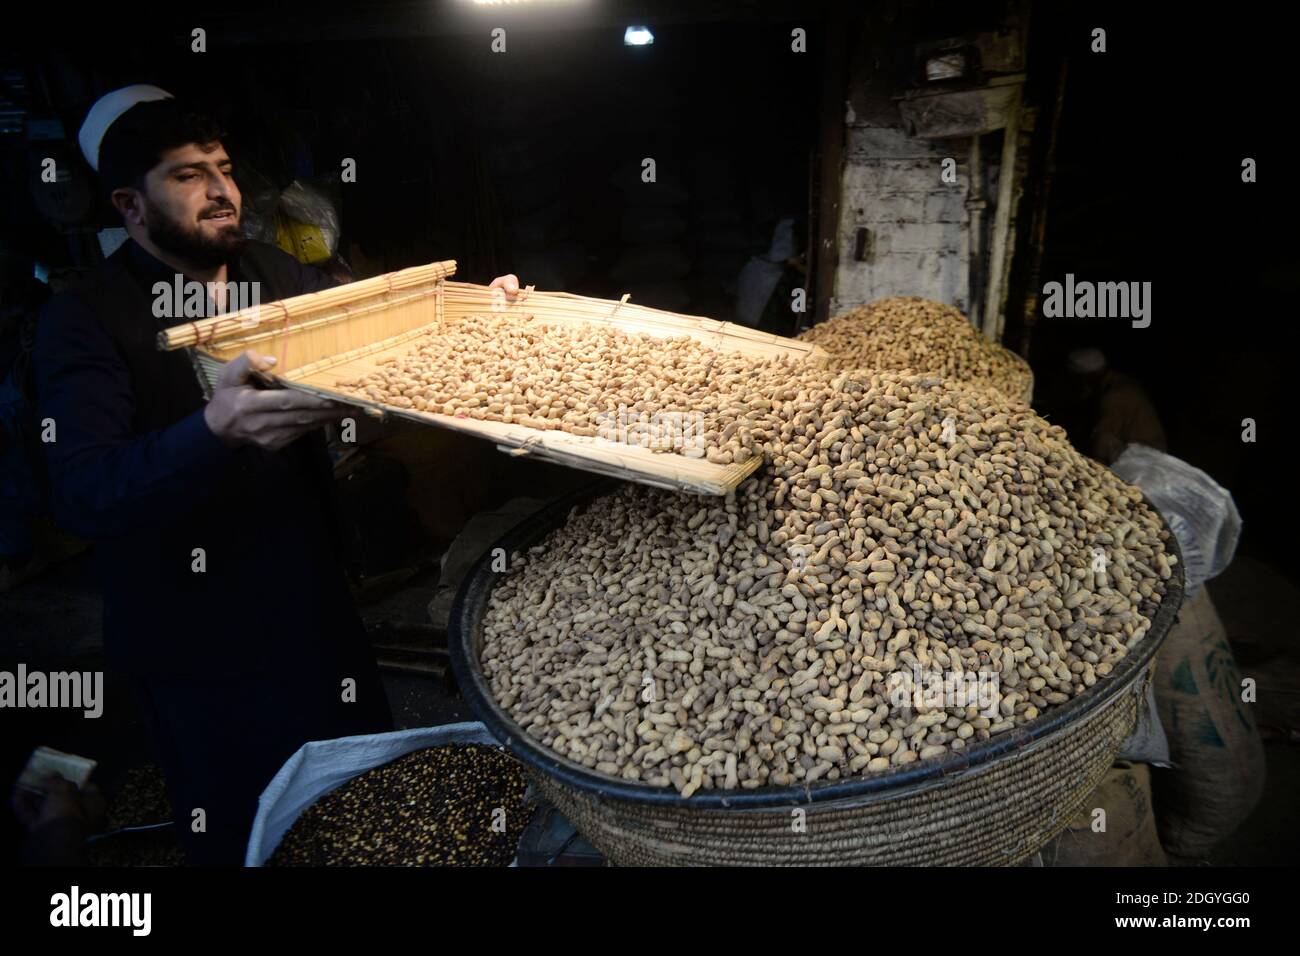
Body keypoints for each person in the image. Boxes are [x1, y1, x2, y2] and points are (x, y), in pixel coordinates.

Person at [32, 85, 524, 864]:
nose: (222, 191)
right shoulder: (86, 318)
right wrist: (210, 431)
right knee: (245, 822)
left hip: (309, 593)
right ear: (129, 205)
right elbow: (83, 490)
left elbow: (369, 334)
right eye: (187, 176)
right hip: (193, 632)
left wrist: (464, 319)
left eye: (223, 168)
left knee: (359, 790)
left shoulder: (268, 270)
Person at [1065, 347, 1167, 464]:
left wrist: (1094, 467)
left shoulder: (1114, 396)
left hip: (1144, 455)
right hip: (1152, 451)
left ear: (1087, 377)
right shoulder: (1121, 382)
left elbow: (1103, 438)